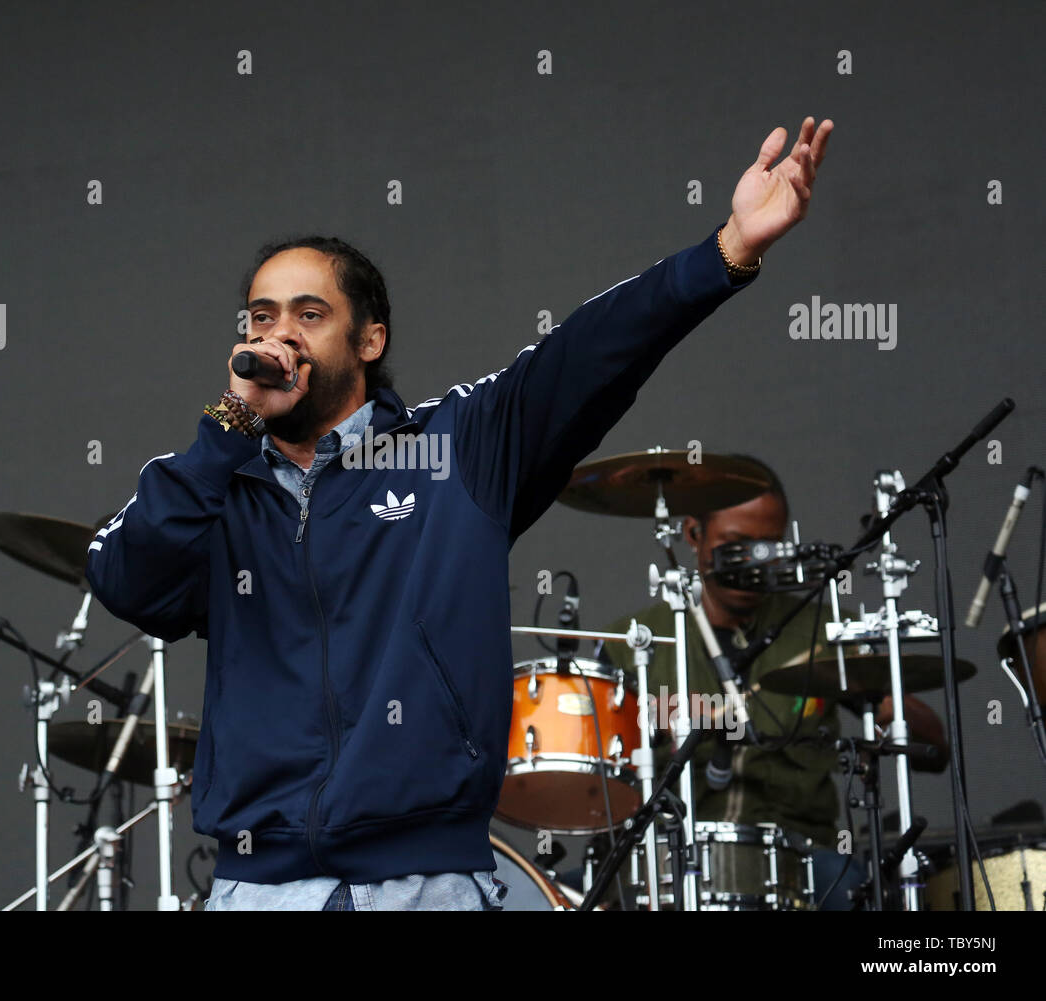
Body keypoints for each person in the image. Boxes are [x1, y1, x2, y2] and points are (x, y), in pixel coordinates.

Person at [85, 119, 835, 910]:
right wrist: (226, 434)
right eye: (260, 317)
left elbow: (591, 351)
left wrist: (726, 251)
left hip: (427, 882)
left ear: (370, 338)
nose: (279, 336)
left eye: (309, 314)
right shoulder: (217, 486)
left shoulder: (460, 448)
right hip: (257, 886)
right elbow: (127, 582)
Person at [597, 457, 949, 909]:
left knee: (852, 893)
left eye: (768, 548)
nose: (751, 564)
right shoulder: (633, 640)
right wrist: (648, 724)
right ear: (692, 534)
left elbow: (933, 747)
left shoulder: (821, 629)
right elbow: (589, 767)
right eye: (735, 545)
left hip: (800, 857)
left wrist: (875, 692)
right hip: (667, 853)